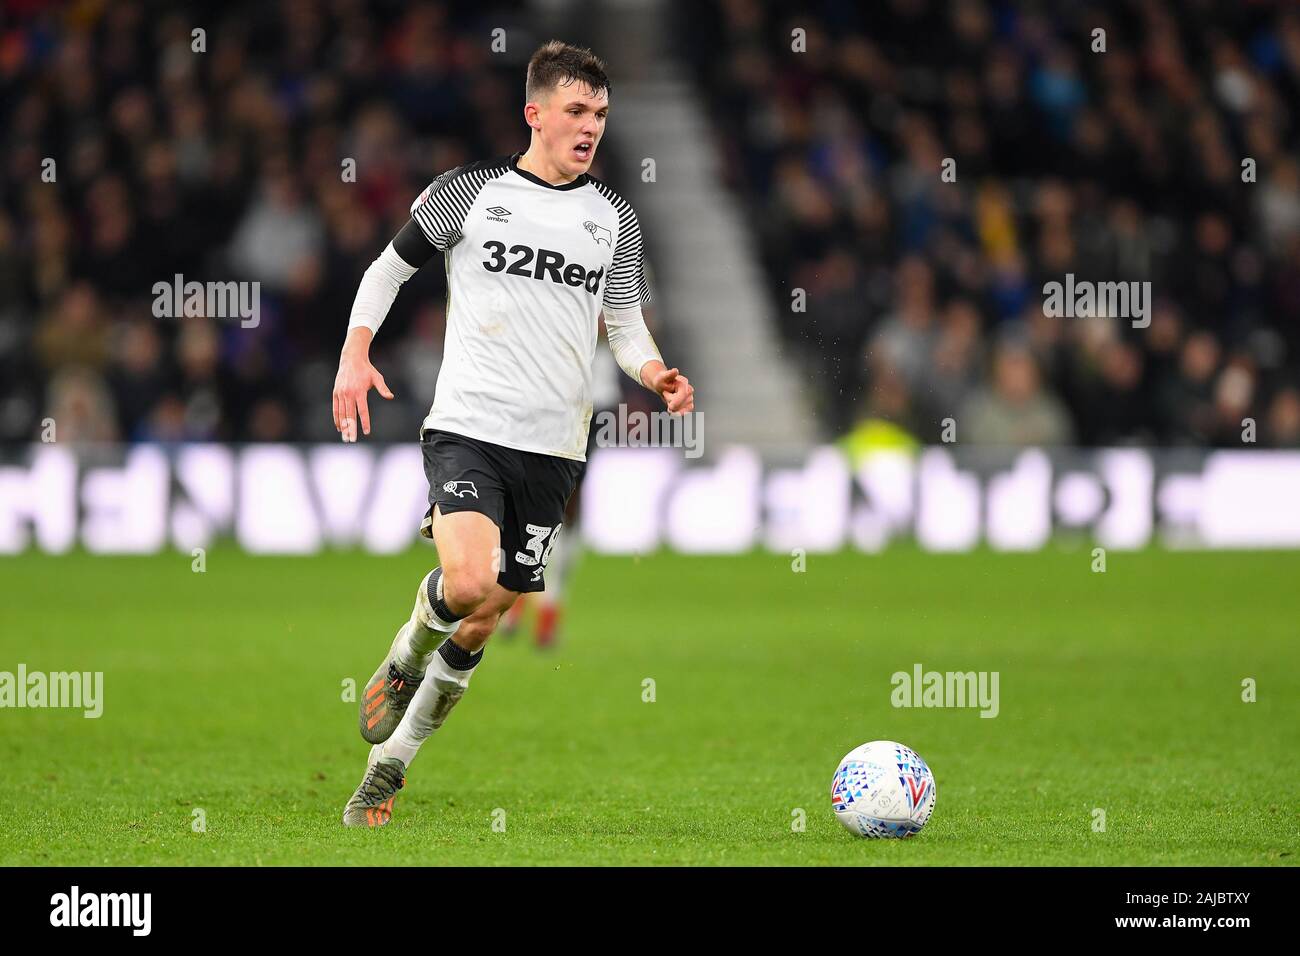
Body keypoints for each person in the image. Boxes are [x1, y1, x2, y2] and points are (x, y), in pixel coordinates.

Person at [331, 40, 695, 826]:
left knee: (487, 613)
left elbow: (625, 324)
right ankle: (402, 657)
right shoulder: (470, 193)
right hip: (468, 425)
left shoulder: (614, 220)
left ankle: (387, 769)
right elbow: (388, 269)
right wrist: (354, 355)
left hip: (556, 446)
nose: (590, 126)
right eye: (575, 111)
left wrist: (655, 371)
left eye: (599, 114)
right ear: (535, 114)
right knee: (462, 584)